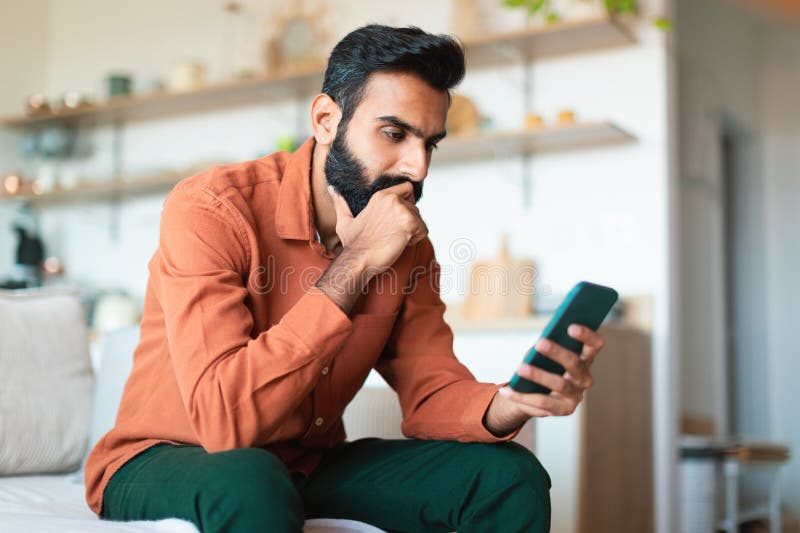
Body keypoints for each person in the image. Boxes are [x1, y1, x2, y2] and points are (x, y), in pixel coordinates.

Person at [84, 24, 606, 533]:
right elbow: (225, 420)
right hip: (166, 458)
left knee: (505, 477)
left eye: (430, 144)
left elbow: (431, 390)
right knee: (250, 480)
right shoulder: (210, 209)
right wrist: (357, 262)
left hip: (305, 466)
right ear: (326, 120)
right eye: (394, 134)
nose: (418, 168)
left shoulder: (408, 245)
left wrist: (510, 403)